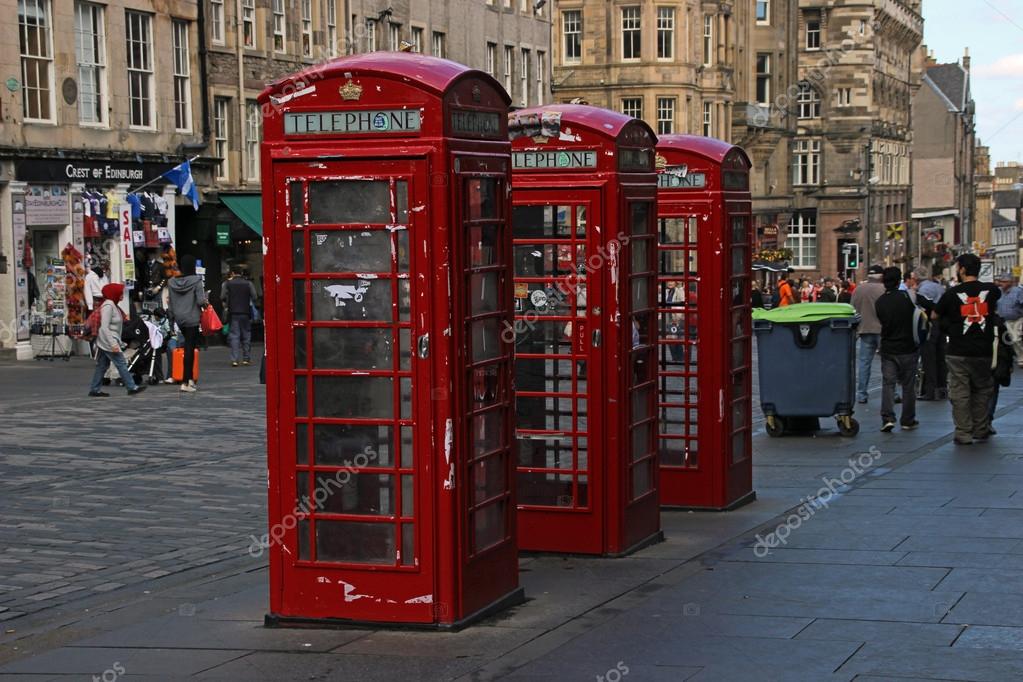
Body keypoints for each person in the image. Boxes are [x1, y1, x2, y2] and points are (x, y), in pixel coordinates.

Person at [933, 254, 1001, 445]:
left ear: (962, 269)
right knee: (983, 390)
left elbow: (935, 315)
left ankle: (963, 432)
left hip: (958, 350)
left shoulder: (951, 294)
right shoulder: (992, 290)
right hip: (984, 350)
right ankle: (981, 428)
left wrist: (949, 322)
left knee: (960, 392)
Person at [874, 267, 920, 432]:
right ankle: (908, 420)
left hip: (888, 348)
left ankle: (887, 418)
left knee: (888, 384)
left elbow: (882, 322)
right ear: (899, 280)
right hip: (908, 347)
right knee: (908, 385)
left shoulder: (880, 302)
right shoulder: (908, 297)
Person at [88, 283, 146, 397]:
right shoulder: (108, 307)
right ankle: (131, 387)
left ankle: (95, 389)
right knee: (121, 363)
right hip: (108, 341)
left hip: (107, 341)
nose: (122, 295)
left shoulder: (113, 306)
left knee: (102, 365)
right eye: (120, 293)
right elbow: (104, 327)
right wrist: (113, 344)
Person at [168, 255, 208, 393]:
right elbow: (200, 301)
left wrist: (172, 319)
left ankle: (188, 379)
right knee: (190, 348)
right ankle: (186, 381)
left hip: (179, 318)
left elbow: (171, 304)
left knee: (187, 346)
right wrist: (206, 301)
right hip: (192, 317)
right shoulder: (196, 280)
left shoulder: (171, 282)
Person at [850, 264, 886, 403]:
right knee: (887, 362)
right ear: (881, 276)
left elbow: (852, 310)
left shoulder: (858, 290)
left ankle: (862, 393)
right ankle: (892, 392)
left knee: (864, 363)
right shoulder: (884, 289)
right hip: (881, 330)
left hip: (865, 329)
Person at [916, 266, 948, 400]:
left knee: (929, 358)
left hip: (929, 324)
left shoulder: (923, 290)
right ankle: (942, 388)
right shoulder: (939, 287)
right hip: (942, 324)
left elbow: (926, 307)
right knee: (941, 357)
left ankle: (930, 390)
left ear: (916, 277)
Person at [221, 266, 259, 367]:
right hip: (245, 312)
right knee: (246, 335)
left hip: (233, 312)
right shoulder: (248, 283)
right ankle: (246, 358)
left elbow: (222, 296)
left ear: (233, 273)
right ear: (241, 273)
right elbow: (255, 296)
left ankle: (234, 359)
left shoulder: (227, 283)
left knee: (234, 336)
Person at [995, 273, 1023, 366]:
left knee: (1016, 338)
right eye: (1001, 282)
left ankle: (1021, 359)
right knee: (1005, 340)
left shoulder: (1018, 291)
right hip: (1003, 320)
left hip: (1017, 319)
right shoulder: (999, 292)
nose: (1001, 284)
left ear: (1010, 282)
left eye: (1004, 282)